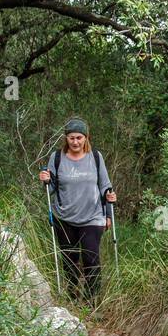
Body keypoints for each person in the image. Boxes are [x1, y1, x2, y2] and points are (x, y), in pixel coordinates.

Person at [38, 118, 116, 300]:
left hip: (93, 217)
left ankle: (92, 300)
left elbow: (106, 187)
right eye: (71, 138)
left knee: (91, 259)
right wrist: (45, 180)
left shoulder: (95, 157)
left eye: (79, 138)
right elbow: (50, 189)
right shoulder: (56, 158)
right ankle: (72, 297)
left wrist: (109, 213)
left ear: (86, 138)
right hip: (64, 217)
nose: (75, 142)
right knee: (70, 261)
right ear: (66, 138)